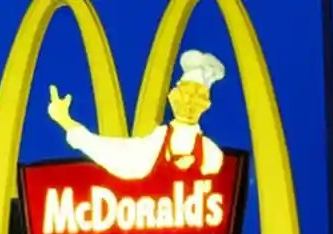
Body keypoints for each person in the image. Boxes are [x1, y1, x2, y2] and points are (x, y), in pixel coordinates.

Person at [47, 49, 226, 180]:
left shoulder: (212, 154)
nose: (189, 102)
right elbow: (116, 155)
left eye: (198, 97)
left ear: (206, 104)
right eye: (186, 94)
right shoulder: (156, 142)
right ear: (173, 97)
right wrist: (65, 121)